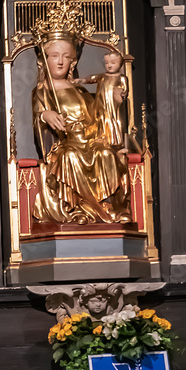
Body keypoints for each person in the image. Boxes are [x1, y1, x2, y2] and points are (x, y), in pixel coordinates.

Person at [32, 33, 131, 226]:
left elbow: (99, 114)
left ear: (72, 62)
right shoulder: (42, 90)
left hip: (91, 140)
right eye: (54, 56)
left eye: (66, 57)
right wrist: (45, 115)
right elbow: (37, 116)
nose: (60, 62)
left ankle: (107, 205)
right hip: (66, 144)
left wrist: (114, 99)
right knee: (70, 157)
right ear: (45, 61)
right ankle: (76, 209)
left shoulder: (80, 90)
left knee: (105, 154)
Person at [77, 49, 128, 149]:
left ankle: (116, 144)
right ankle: (103, 141)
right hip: (101, 105)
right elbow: (91, 79)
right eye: (107, 63)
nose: (109, 65)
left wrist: (122, 93)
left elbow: (125, 90)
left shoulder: (121, 78)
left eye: (113, 63)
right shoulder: (102, 76)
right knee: (101, 121)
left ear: (120, 64)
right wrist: (80, 80)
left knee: (114, 121)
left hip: (113, 106)